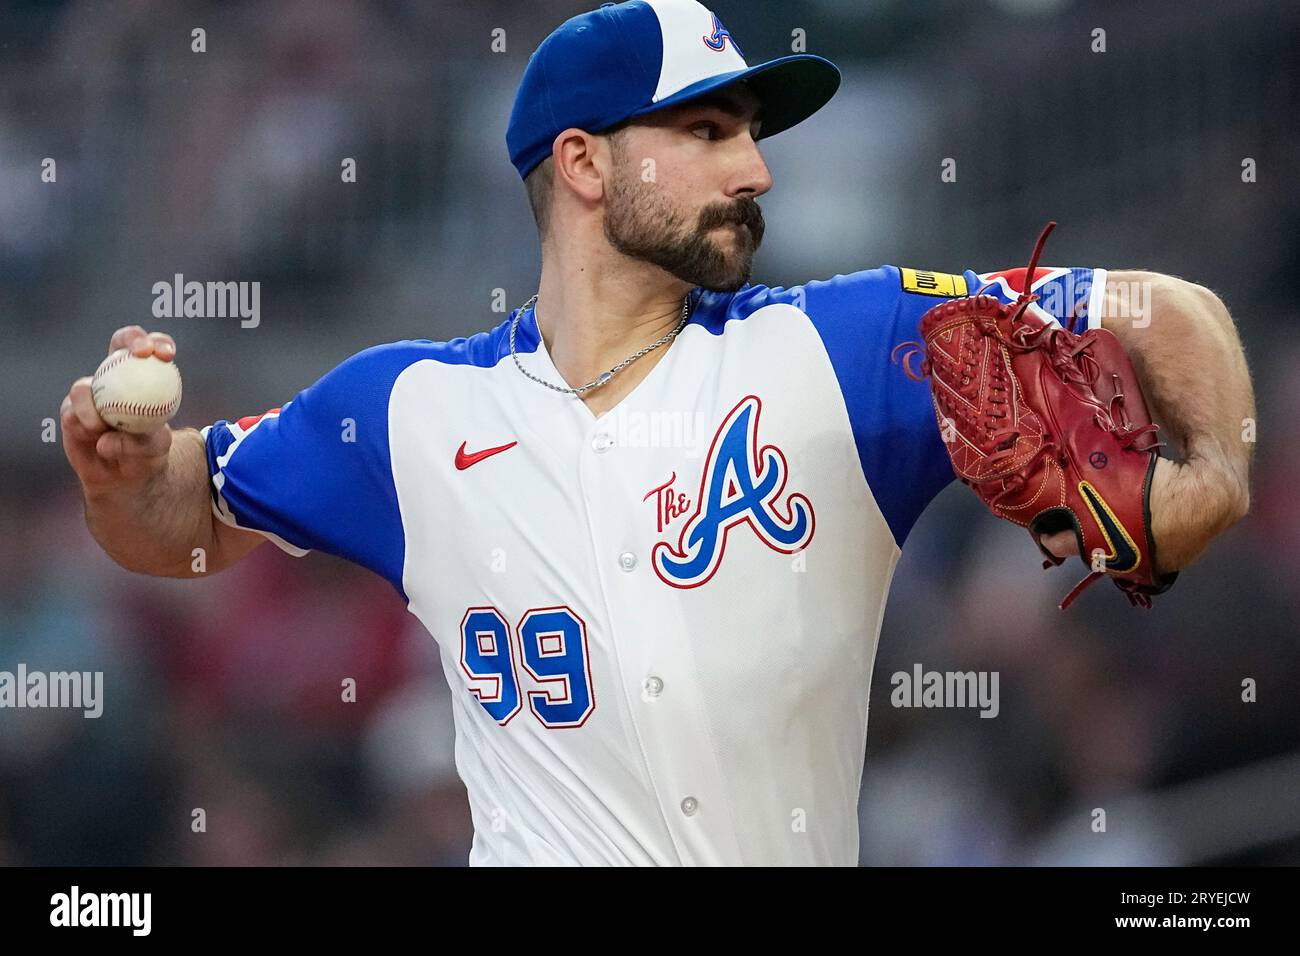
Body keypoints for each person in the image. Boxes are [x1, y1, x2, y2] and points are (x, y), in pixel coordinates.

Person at [62, 0, 1254, 865]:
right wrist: (115, 472)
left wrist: (1212, 477)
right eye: (706, 130)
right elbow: (184, 519)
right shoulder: (405, 410)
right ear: (582, 162)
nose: (757, 168)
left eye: (750, 131)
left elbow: (1169, 311)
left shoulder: (845, 346)